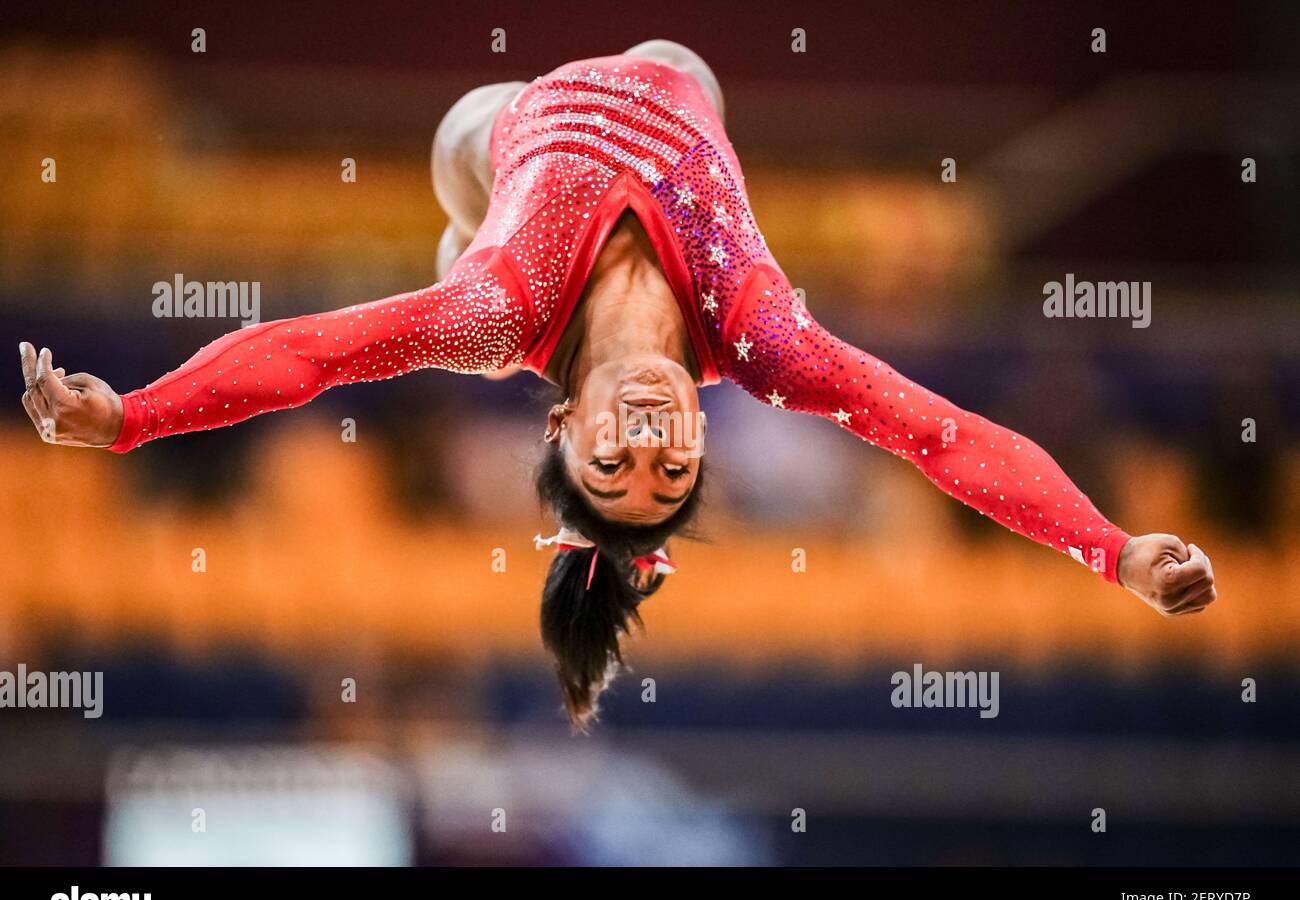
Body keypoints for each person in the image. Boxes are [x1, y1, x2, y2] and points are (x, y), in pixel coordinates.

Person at [18, 40, 1216, 730]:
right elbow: (943, 437)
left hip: (499, 151)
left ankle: (460, 223)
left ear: (561, 423)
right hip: (667, 91)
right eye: (670, 466)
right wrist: (1114, 549)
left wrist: (129, 419)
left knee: (463, 233)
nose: (646, 438)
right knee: (675, 60)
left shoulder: (503, 308)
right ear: (707, 430)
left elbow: (311, 355)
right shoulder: (763, 339)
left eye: (610, 463)